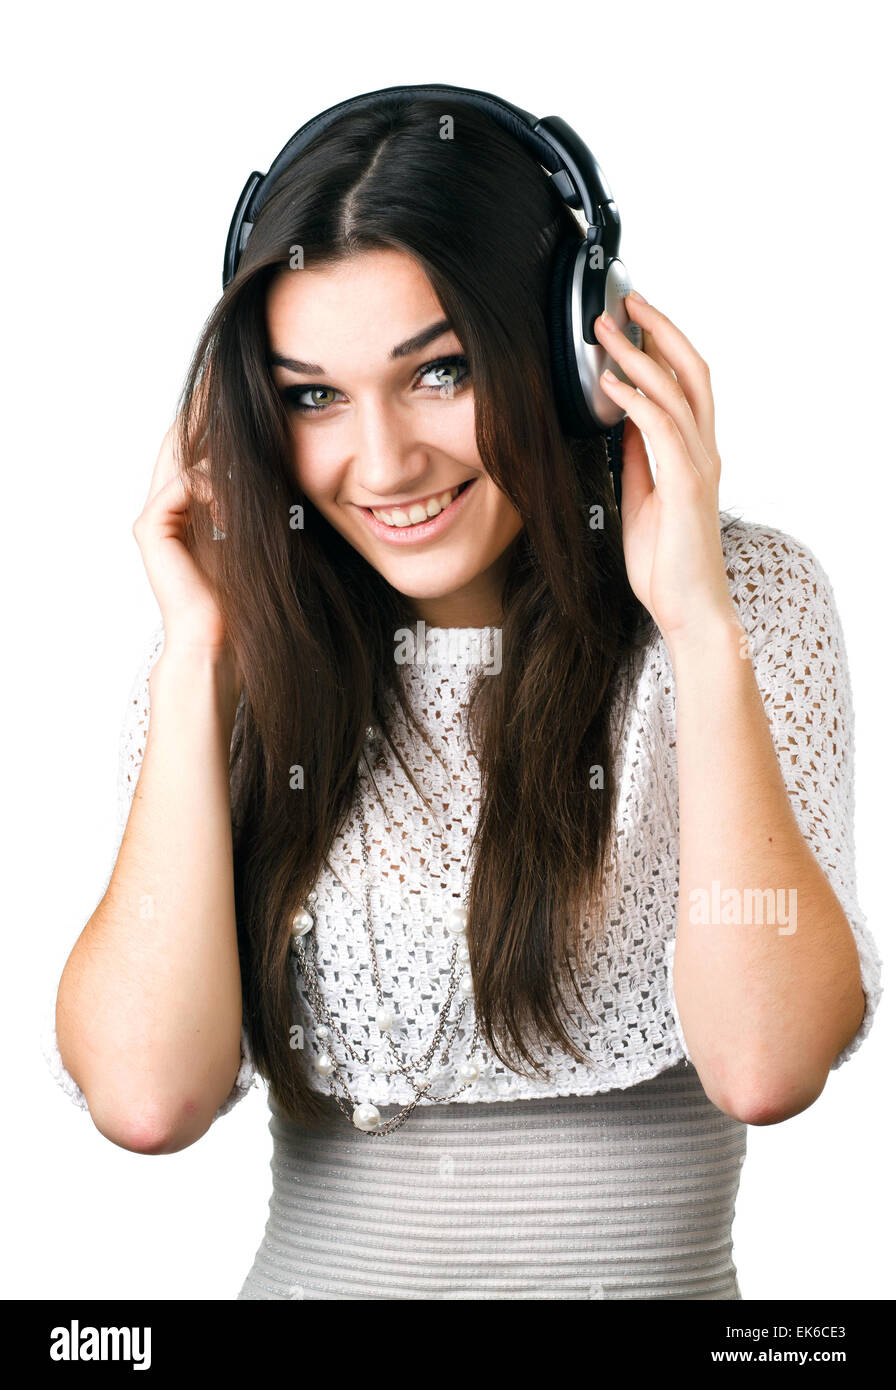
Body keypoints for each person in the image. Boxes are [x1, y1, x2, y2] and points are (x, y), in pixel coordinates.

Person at [42, 91, 882, 1301]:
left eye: (438, 373)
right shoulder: (231, 658)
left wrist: (695, 626)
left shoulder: (741, 606)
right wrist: (195, 654)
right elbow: (144, 1095)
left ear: (575, 354)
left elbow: (765, 1064)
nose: (381, 465)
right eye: (313, 396)